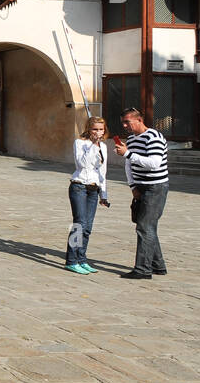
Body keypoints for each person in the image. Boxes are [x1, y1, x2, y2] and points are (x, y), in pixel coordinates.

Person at [114, 107, 168, 279]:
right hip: (141, 186)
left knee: (144, 227)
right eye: (123, 122)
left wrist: (128, 153)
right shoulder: (131, 139)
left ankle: (143, 270)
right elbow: (128, 165)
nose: (124, 126)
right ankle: (157, 265)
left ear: (139, 120)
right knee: (147, 226)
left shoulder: (154, 137)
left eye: (127, 122)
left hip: (155, 187)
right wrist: (132, 187)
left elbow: (154, 163)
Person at [65, 116, 110, 274]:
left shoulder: (103, 147)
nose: (98, 132)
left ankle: (82, 259)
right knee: (79, 224)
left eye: (101, 129)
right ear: (88, 130)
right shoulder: (81, 143)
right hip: (79, 186)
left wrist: (104, 194)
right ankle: (71, 260)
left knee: (88, 227)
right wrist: (92, 144)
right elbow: (82, 163)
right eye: (95, 129)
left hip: (94, 189)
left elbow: (102, 171)